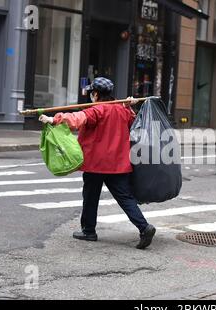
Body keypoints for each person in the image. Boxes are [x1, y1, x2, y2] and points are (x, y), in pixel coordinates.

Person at [39, 77, 156, 250]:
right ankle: (144, 227)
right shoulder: (122, 110)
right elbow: (134, 123)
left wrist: (54, 120)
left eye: (91, 93)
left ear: (95, 94)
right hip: (118, 164)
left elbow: (77, 118)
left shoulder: (97, 110)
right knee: (125, 198)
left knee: (90, 197)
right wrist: (129, 107)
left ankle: (88, 231)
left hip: (96, 164)